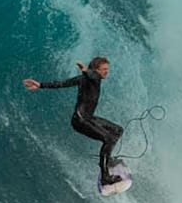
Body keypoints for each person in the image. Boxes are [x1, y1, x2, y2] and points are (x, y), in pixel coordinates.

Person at [23, 56, 124, 187]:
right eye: (104, 69)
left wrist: (41, 85)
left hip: (87, 118)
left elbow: (61, 84)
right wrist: (87, 71)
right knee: (109, 139)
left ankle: (106, 160)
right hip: (80, 121)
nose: (106, 72)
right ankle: (105, 177)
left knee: (117, 130)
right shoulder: (93, 77)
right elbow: (90, 77)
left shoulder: (84, 78)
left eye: (107, 69)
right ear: (96, 70)